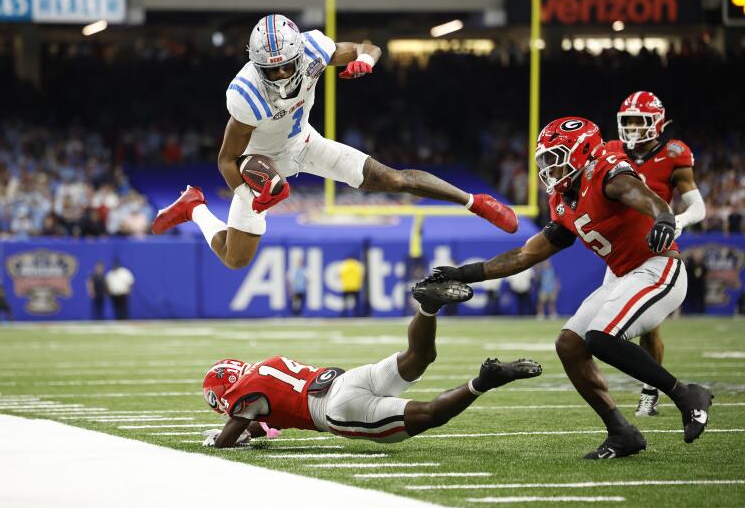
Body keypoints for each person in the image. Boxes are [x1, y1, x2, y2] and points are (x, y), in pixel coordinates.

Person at [428, 117, 713, 459]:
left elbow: (642, 194)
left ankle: (685, 394)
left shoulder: (607, 173)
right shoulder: (564, 200)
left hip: (659, 268)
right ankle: (622, 432)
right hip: (626, 276)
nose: (548, 166)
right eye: (544, 159)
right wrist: (464, 273)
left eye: (555, 156)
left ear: (583, 152)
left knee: (600, 336)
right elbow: (523, 254)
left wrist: (664, 217)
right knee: (570, 344)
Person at [151, 14, 518, 270]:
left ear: (299, 54)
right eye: (271, 69)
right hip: (258, 165)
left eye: (285, 65)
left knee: (393, 179)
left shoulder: (312, 49)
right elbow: (226, 160)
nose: (280, 74)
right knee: (236, 259)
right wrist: (250, 194)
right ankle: (194, 206)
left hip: (305, 142)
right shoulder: (245, 94)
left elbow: (368, 47)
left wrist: (365, 60)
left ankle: (475, 202)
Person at [200, 279, 542, 448]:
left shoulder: (243, 395)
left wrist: (222, 436)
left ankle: (483, 381)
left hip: (337, 411)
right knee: (418, 357)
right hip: (346, 381)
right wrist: (250, 430)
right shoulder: (267, 366)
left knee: (428, 414)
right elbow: (263, 420)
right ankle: (428, 308)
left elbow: (228, 438)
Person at [610, 91, 706, 416]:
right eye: (629, 121)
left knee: (649, 328)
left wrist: (675, 222)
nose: (634, 128)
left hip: (654, 250)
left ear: (658, 123)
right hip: (618, 251)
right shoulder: (613, 153)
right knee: (603, 328)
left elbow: (698, 207)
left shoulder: (674, 154)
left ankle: (651, 390)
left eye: (641, 120)